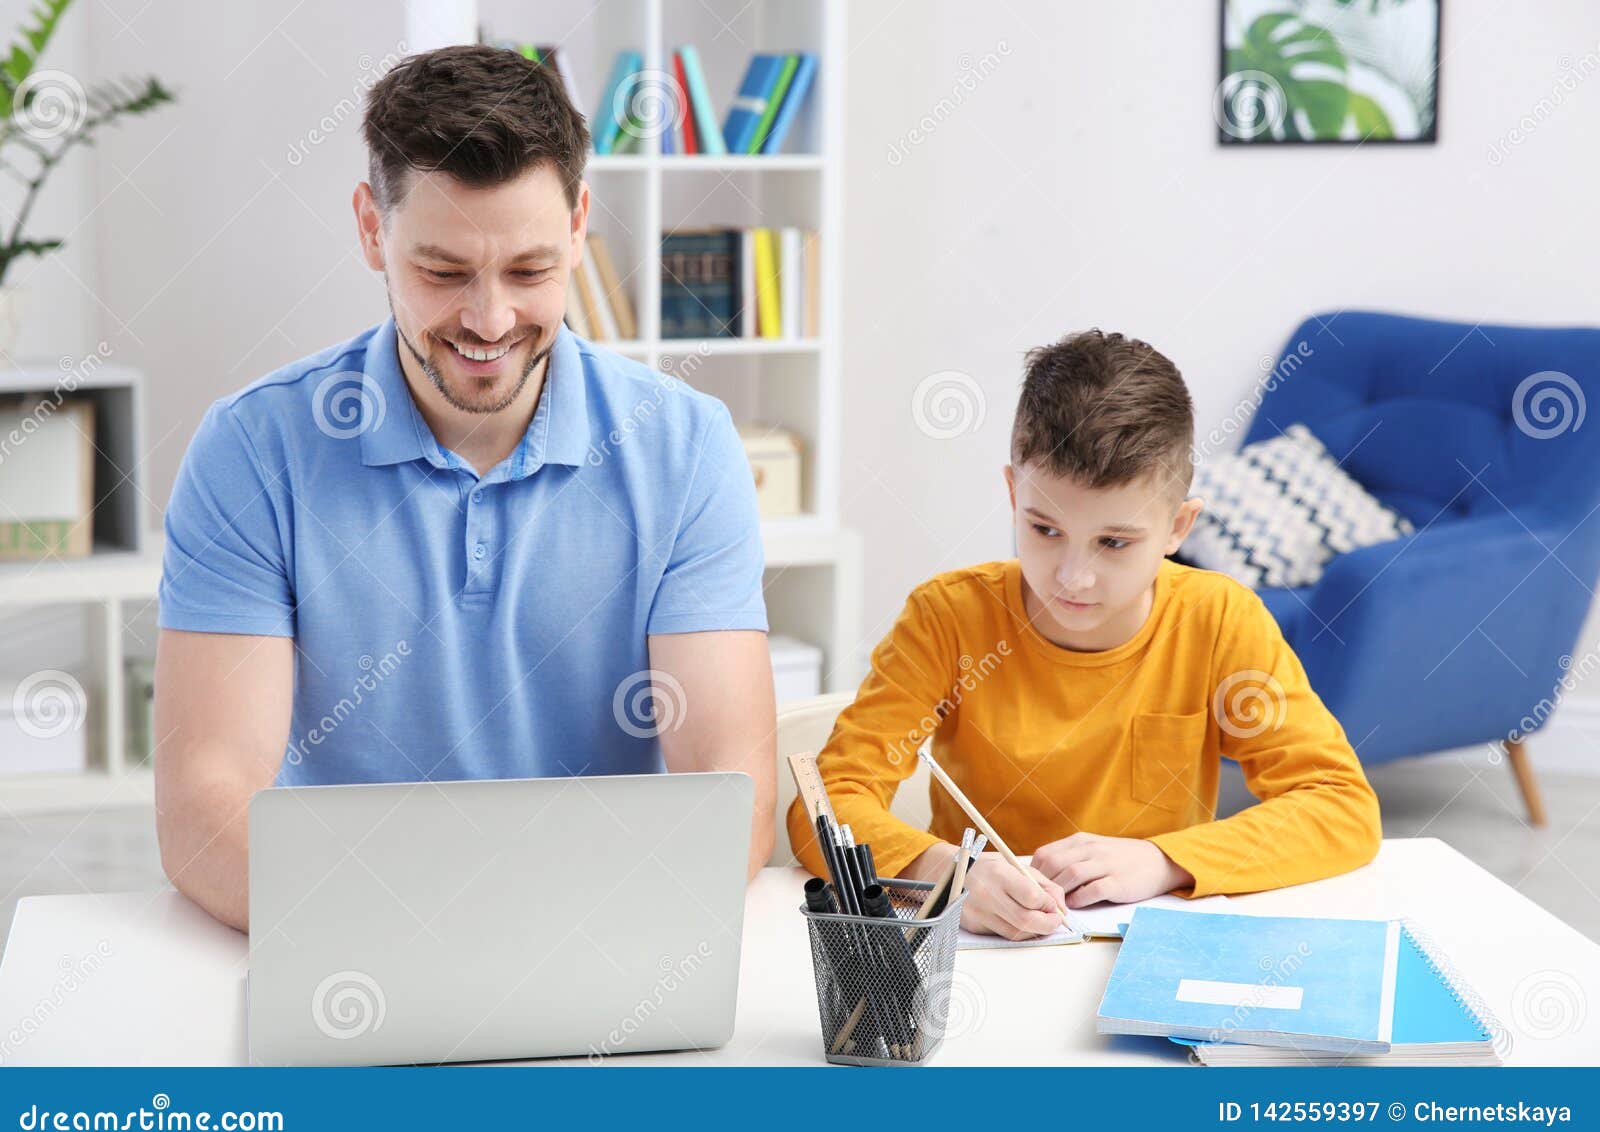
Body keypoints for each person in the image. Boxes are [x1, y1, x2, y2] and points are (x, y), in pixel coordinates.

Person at [155, 46, 776, 932]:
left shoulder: (684, 447)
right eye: (443, 272)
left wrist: (539, 946)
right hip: (344, 945)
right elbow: (203, 809)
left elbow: (729, 788)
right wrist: (426, 942)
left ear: (577, 226)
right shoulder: (253, 449)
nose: (489, 321)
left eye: (529, 271)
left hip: (595, 945)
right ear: (373, 229)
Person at [787, 329, 1381, 939]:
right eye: (1044, 529)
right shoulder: (949, 616)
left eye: (1114, 543)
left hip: (1146, 947)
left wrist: (1164, 860)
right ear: (1013, 493)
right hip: (977, 955)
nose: (1074, 577)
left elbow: (1339, 807)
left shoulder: (1219, 619)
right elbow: (825, 802)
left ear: (1178, 526)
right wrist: (948, 874)